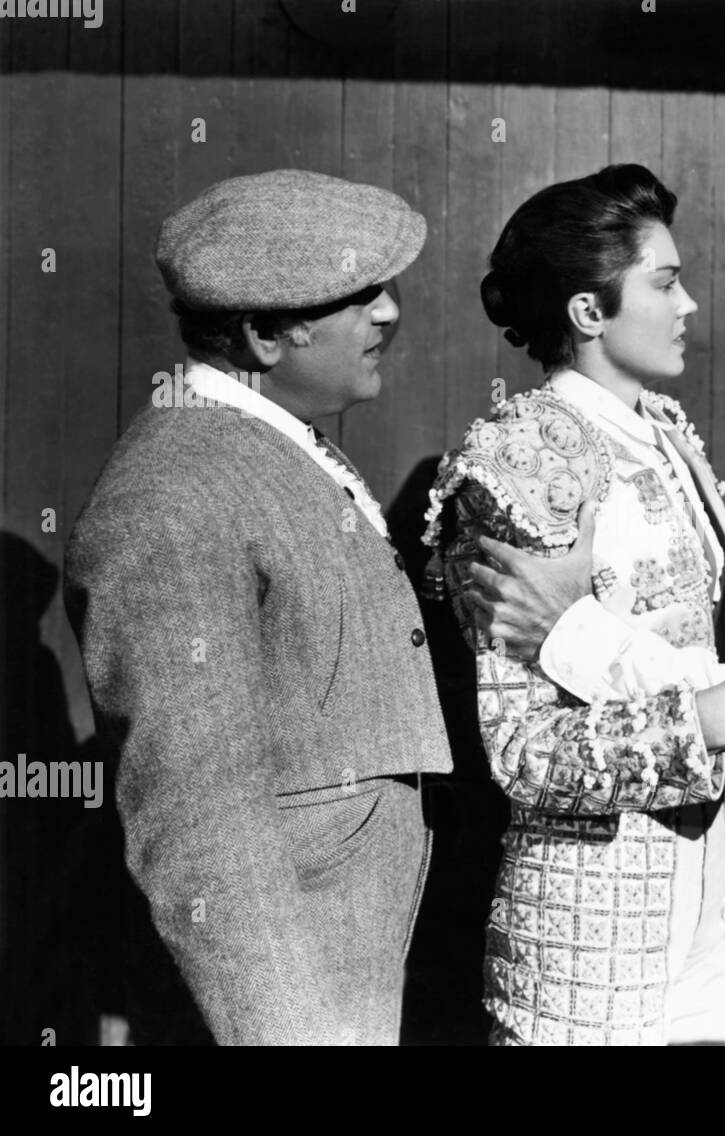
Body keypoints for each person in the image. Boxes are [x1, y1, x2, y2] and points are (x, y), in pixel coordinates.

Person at [426, 163, 725, 1045]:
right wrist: (713, 719)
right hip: (582, 922)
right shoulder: (517, 462)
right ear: (588, 311)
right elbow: (524, 753)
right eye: (666, 281)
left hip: (702, 895)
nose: (689, 307)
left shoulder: (665, 432)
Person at [63, 170, 452, 1045]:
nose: (388, 312)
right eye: (358, 293)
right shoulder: (171, 496)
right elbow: (197, 818)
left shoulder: (267, 444)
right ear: (263, 337)